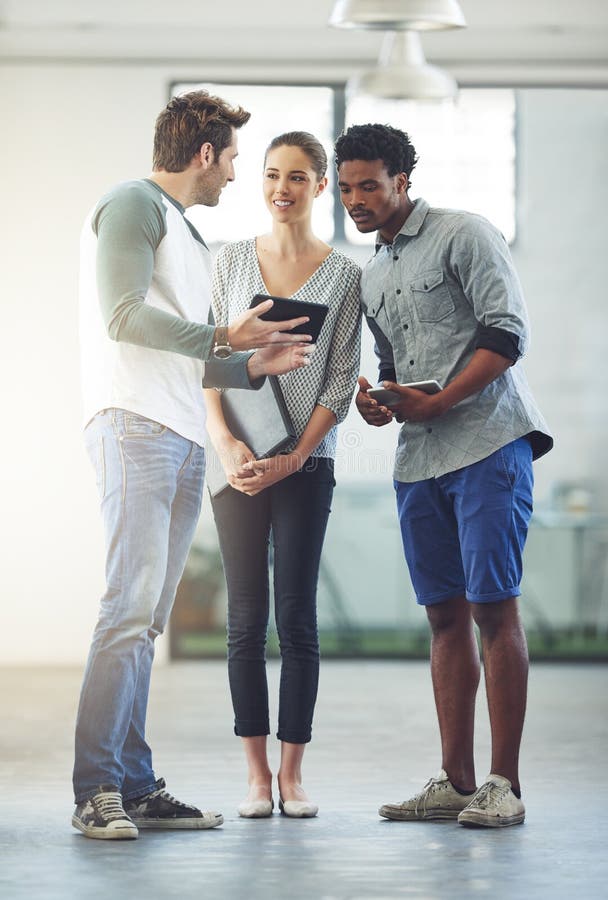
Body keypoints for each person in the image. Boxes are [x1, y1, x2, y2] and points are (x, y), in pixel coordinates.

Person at [74, 91, 316, 841]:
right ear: (204, 153)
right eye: (235, 158)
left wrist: (251, 363)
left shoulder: (185, 234)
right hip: (134, 427)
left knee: (145, 622)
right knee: (125, 612)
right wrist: (224, 335)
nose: (238, 175)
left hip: (178, 434)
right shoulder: (132, 204)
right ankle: (96, 790)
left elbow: (190, 357)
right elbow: (123, 316)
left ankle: (137, 786)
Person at [335, 123, 553, 828]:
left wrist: (440, 401)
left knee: (495, 609)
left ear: (402, 179)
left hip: (489, 446)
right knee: (443, 615)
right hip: (420, 461)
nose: (356, 200)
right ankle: (457, 781)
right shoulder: (372, 274)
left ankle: (504, 783)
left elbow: (505, 334)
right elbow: (397, 369)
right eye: (345, 188)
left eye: (369, 184)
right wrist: (381, 403)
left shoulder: (465, 233)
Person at [204, 131, 361, 819]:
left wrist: (296, 456)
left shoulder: (345, 275)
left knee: (297, 618)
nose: (281, 188)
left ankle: (293, 776)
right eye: (271, 174)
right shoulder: (229, 261)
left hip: (304, 463)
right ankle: (255, 777)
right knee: (244, 621)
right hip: (237, 461)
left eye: (298, 176)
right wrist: (225, 441)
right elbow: (207, 357)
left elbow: (339, 378)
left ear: (320, 186)